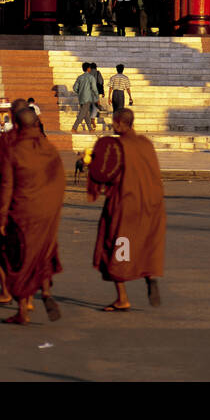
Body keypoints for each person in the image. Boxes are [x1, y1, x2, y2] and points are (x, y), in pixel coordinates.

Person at [0, 107, 65, 325]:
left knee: (20, 258)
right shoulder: (49, 148)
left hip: (23, 211)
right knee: (41, 253)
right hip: (47, 211)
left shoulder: (15, 150)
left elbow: (6, 187)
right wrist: (54, 209)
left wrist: (2, 218)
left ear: (16, 123)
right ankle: (46, 293)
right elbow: (59, 181)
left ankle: (23, 310)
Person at [87, 108, 165, 311]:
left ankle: (122, 297)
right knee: (144, 245)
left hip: (126, 207)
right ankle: (149, 277)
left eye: (114, 122)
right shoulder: (146, 143)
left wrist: (89, 162)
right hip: (151, 205)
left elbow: (105, 174)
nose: (113, 126)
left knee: (118, 248)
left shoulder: (118, 146)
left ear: (121, 123)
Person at [0, 99, 30, 305]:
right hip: (37, 206)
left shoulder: (9, 140)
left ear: (12, 114)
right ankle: (30, 297)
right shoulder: (42, 142)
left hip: (12, 203)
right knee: (31, 251)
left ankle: (6, 292)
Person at [71, 64, 98, 133]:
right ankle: (74, 127)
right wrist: (97, 97)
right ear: (88, 69)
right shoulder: (91, 77)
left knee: (86, 114)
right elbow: (94, 89)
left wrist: (80, 92)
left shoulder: (80, 77)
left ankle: (90, 129)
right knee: (82, 113)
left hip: (81, 98)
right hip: (88, 97)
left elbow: (74, 88)